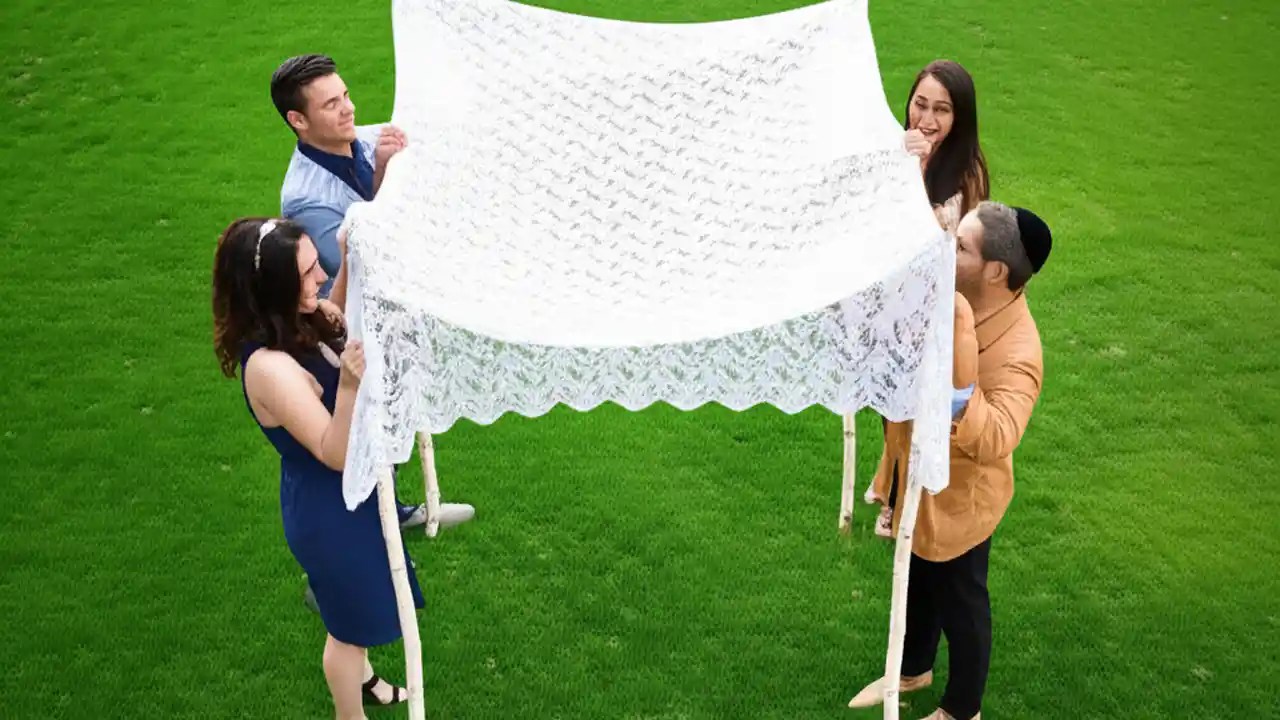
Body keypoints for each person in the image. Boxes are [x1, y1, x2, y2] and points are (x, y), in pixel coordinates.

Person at [847, 202, 1053, 720]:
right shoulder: (952, 292)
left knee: (962, 602)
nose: (946, 249)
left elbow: (1000, 434)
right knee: (918, 575)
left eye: (960, 246)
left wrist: (960, 389)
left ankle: (963, 710)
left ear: (995, 272)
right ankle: (913, 670)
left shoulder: (1019, 350)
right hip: (918, 472)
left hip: (965, 496)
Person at [213, 217, 425, 717]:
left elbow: (338, 319)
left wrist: (348, 259)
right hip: (330, 512)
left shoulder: (299, 316)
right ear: (276, 287)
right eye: (309, 272)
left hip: (353, 499)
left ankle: (367, 682)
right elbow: (334, 452)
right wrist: (349, 385)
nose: (321, 278)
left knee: (357, 614)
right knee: (347, 632)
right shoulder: (269, 369)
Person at [269, 53, 476, 539]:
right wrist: (384, 174)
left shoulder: (360, 137)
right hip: (347, 328)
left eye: (345, 95)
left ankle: (394, 509)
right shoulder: (305, 198)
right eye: (330, 105)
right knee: (365, 427)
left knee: (395, 416)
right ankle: (365, 531)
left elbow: (424, 135)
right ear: (298, 120)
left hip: (395, 309)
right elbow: (364, 258)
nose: (348, 109)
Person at [867, 59, 992, 536]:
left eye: (942, 109)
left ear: (959, 117)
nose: (926, 119)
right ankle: (892, 487)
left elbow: (933, 240)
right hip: (893, 302)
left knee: (914, 408)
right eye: (920, 104)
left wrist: (914, 172)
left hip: (936, 308)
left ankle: (900, 504)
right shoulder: (897, 151)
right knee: (890, 405)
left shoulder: (967, 174)